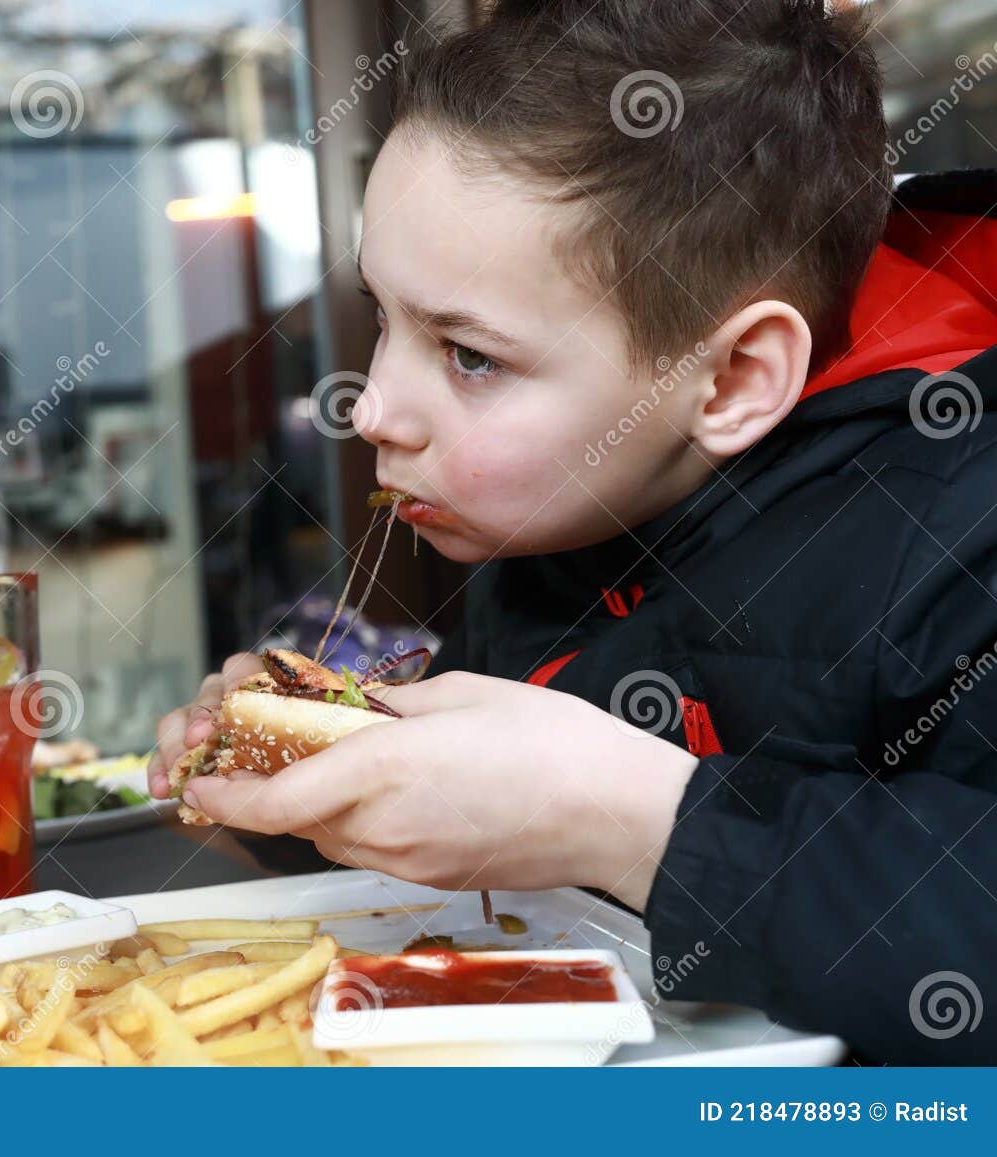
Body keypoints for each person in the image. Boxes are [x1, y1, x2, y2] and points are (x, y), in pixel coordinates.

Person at [148, 0, 997, 1064]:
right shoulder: (564, 507)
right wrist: (309, 789)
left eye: (470, 355)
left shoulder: (962, 527)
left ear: (733, 377)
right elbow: (499, 853)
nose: (370, 409)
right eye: (383, 316)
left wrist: (634, 818)